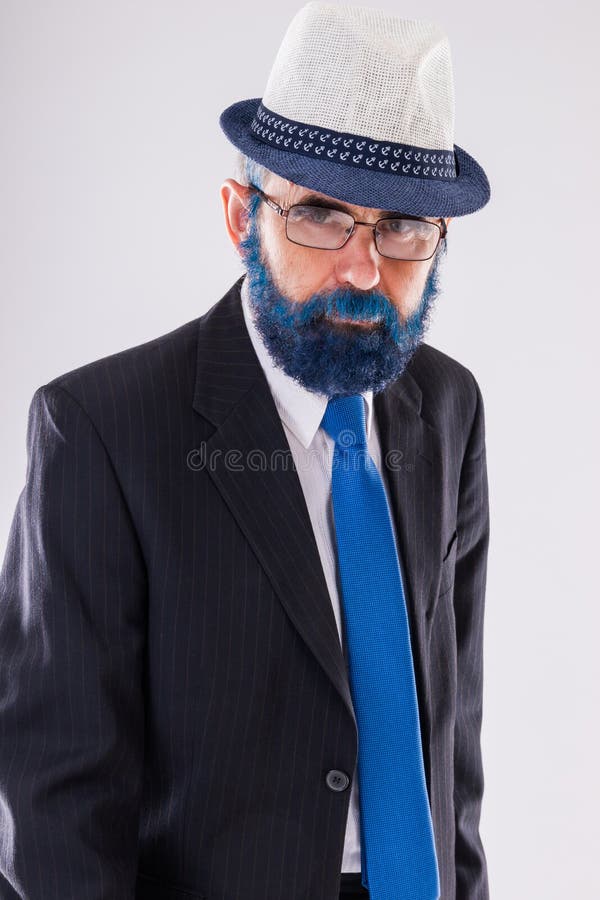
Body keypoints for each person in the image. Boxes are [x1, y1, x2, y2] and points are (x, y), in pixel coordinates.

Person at [0, 3, 491, 899]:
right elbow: (53, 805)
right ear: (240, 215)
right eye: (320, 216)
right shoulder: (102, 429)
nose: (363, 268)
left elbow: (451, 748)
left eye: (405, 229)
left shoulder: (447, 407)